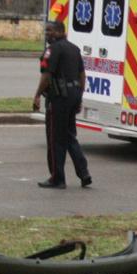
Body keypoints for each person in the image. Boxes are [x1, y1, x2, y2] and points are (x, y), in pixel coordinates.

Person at [33, 19, 91, 189]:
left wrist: (36, 96)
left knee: (55, 139)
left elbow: (46, 76)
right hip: (73, 95)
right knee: (69, 135)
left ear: (59, 31)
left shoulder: (52, 50)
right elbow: (82, 75)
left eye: (50, 31)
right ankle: (84, 173)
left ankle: (57, 178)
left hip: (59, 98)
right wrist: (79, 97)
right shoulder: (74, 48)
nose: (47, 34)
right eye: (46, 31)